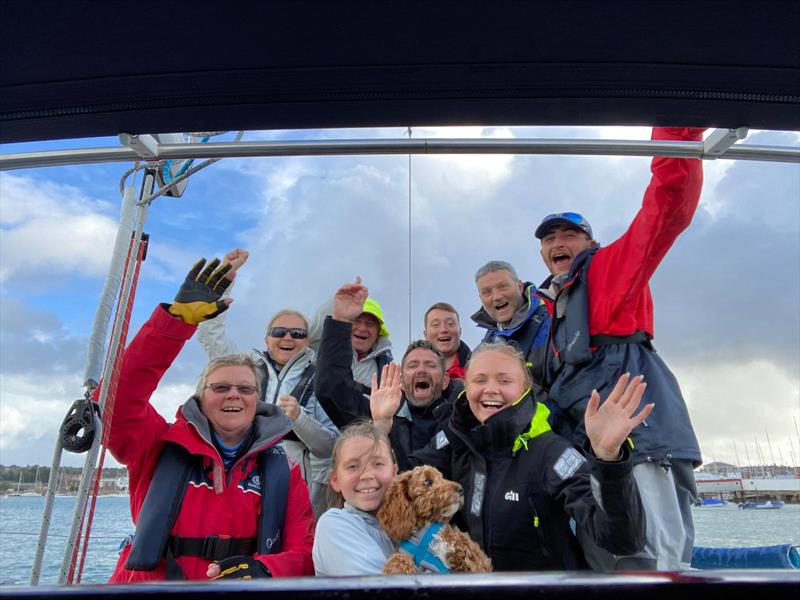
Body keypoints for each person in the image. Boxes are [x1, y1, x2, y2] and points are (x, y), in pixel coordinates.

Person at [534, 126, 705, 570]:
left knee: (654, 561)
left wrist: (676, 129)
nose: (557, 243)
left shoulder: (610, 268)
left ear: (590, 243)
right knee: (608, 559)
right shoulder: (553, 310)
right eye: (549, 239)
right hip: (592, 450)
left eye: (568, 234)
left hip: (642, 444)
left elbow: (667, 208)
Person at [107, 257, 314, 582]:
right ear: (201, 399)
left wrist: (266, 568)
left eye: (245, 388)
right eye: (220, 387)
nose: (234, 394)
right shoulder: (157, 446)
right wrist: (175, 322)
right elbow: (114, 402)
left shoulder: (286, 474)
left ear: (257, 401)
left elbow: (305, 553)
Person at [373, 342, 649, 571]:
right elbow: (396, 482)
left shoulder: (550, 452)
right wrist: (383, 426)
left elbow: (621, 539)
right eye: (479, 380)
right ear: (466, 388)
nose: (490, 389)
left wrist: (609, 460)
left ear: (525, 389)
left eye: (504, 380)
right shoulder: (455, 441)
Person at [197, 249, 337, 517]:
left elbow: (328, 447)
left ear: (307, 342)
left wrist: (300, 418)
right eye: (279, 332)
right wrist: (224, 281)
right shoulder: (243, 369)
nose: (288, 337)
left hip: (302, 496)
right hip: (244, 484)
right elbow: (209, 332)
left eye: (298, 333)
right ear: (266, 339)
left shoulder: (323, 378)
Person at [315, 279, 454, 467]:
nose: (421, 370)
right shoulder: (379, 411)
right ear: (401, 381)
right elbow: (331, 388)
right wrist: (340, 322)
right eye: (412, 366)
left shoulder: (461, 416)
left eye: (430, 365)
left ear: (445, 379)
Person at [312, 421, 398, 575]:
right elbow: (382, 591)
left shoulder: (410, 526)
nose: (366, 475)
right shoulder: (333, 526)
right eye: (353, 466)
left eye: (378, 464)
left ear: (394, 472)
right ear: (335, 480)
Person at [470, 261, 549, 399]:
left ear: (519, 286)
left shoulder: (551, 323)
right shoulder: (485, 345)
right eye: (487, 292)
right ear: (480, 299)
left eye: (503, 287)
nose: (497, 297)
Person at [308, 276, 393, 393]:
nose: (363, 328)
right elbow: (310, 336)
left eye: (370, 323)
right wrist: (339, 309)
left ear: (378, 333)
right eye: (356, 321)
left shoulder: (387, 369)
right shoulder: (324, 349)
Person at [422, 302, 471, 381]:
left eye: (450, 324)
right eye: (435, 324)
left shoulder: (479, 368)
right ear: (425, 334)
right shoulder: (413, 374)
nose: (443, 329)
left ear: (460, 331)